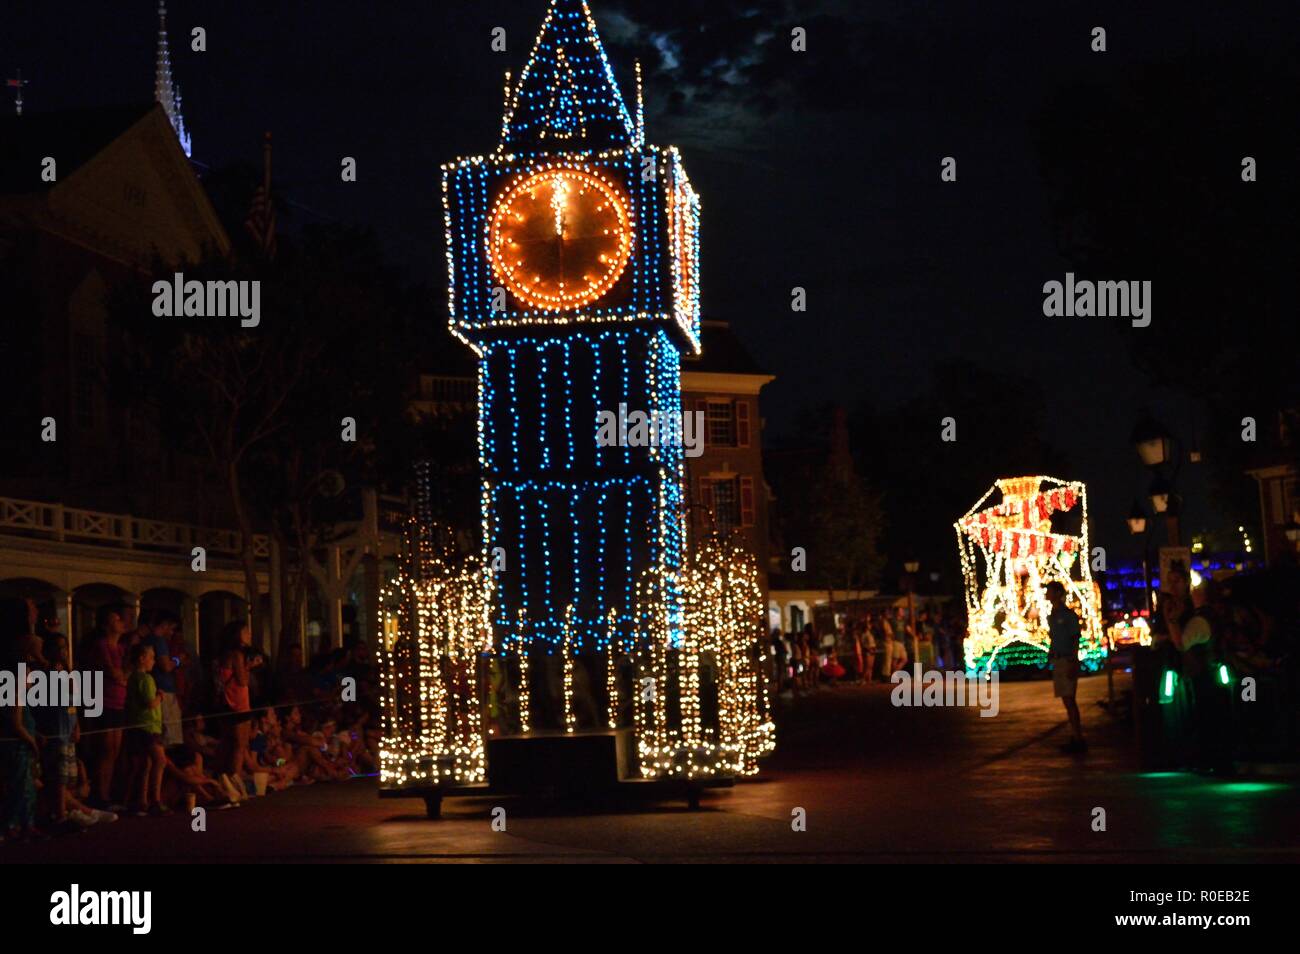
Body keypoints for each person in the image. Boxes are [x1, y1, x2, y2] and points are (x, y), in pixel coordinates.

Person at [85, 602, 131, 810]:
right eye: (116, 619)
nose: (121, 622)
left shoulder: (121, 648)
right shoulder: (102, 645)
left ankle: (108, 794)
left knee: (115, 749)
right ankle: (99, 795)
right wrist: (121, 675)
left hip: (119, 702)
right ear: (106, 625)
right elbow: (114, 673)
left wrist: (123, 676)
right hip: (103, 700)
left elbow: (126, 675)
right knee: (104, 749)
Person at [124, 642, 168, 815]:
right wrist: (160, 696)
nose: (154, 661)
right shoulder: (145, 679)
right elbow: (150, 704)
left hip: (137, 726)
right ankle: (155, 800)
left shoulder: (132, 678)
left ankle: (141, 800)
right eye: (151, 657)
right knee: (160, 760)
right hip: (148, 727)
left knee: (145, 764)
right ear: (142, 659)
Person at [1045, 581, 1086, 753]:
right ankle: (1076, 736)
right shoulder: (1052, 615)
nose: (1047, 594)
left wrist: (1073, 661)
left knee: (1069, 699)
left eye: (1049, 591)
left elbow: (1075, 638)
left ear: (1057, 593)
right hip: (1058, 660)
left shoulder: (1067, 615)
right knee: (1066, 699)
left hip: (1067, 660)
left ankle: (1078, 738)